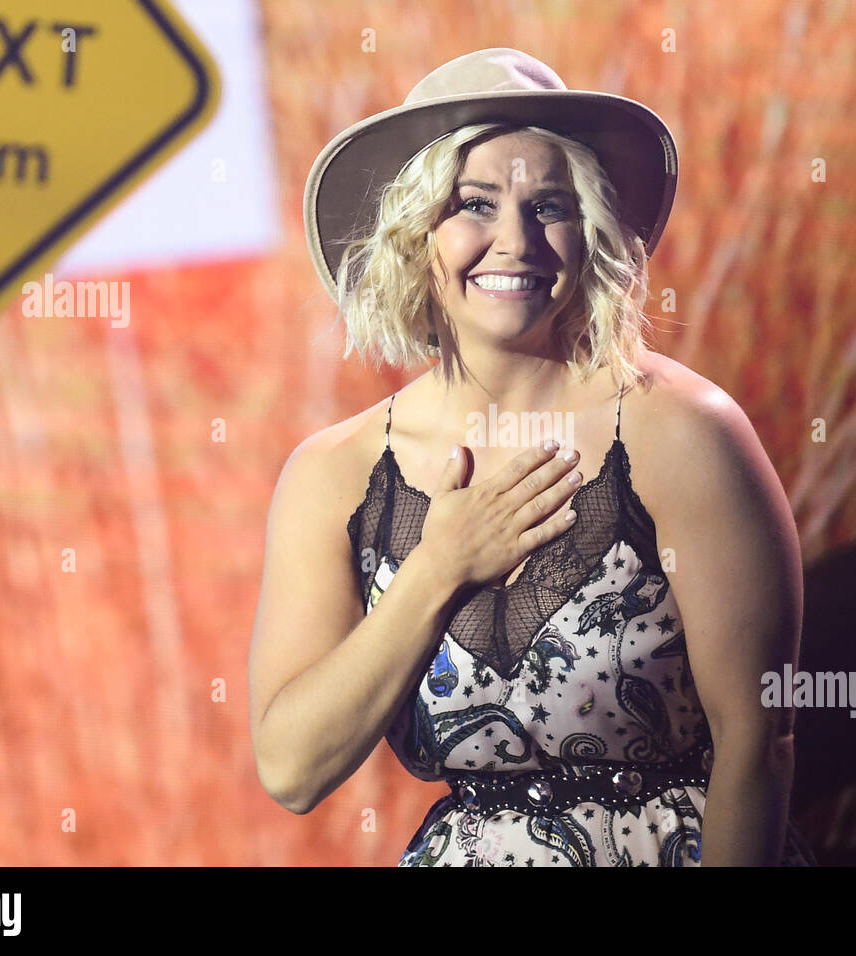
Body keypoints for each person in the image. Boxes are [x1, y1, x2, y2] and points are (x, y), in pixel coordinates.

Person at [250, 48, 814, 866]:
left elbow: (759, 741)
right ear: (416, 236)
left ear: (589, 235)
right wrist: (439, 567)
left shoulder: (683, 432)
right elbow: (291, 767)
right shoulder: (331, 475)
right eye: (474, 204)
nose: (514, 241)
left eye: (547, 205)